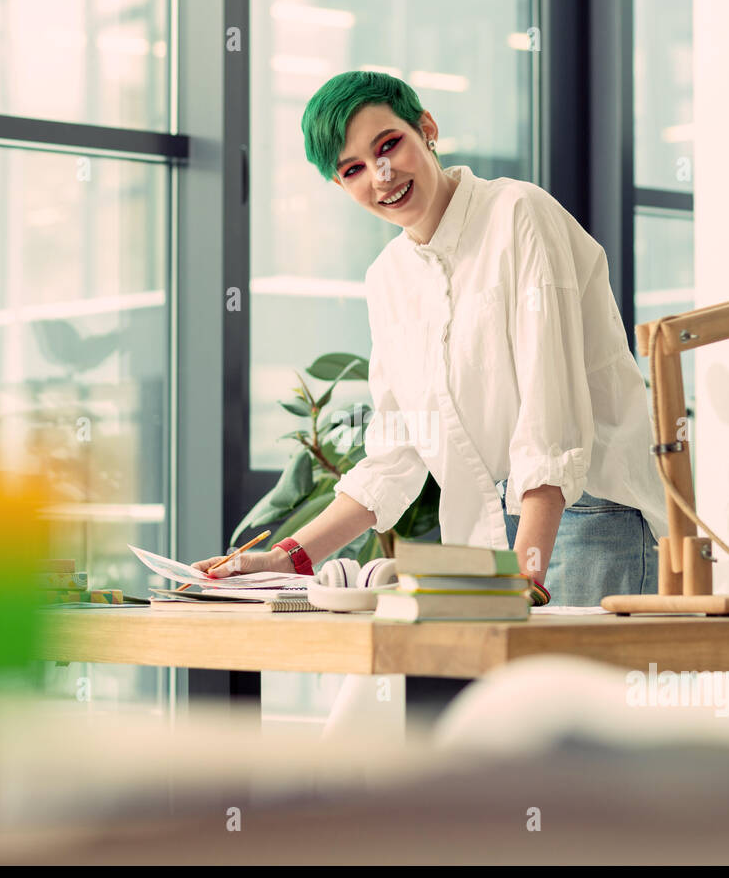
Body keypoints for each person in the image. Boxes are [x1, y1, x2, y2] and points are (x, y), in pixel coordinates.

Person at [193, 70, 667, 610]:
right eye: (354, 169)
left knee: (573, 696)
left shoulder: (518, 214)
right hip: (487, 537)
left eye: (388, 145)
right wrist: (285, 559)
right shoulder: (387, 279)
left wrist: (524, 576)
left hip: (588, 517)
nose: (382, 174)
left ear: (427, 128)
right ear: (340, 186)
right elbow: (395, 455)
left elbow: (549, 420)